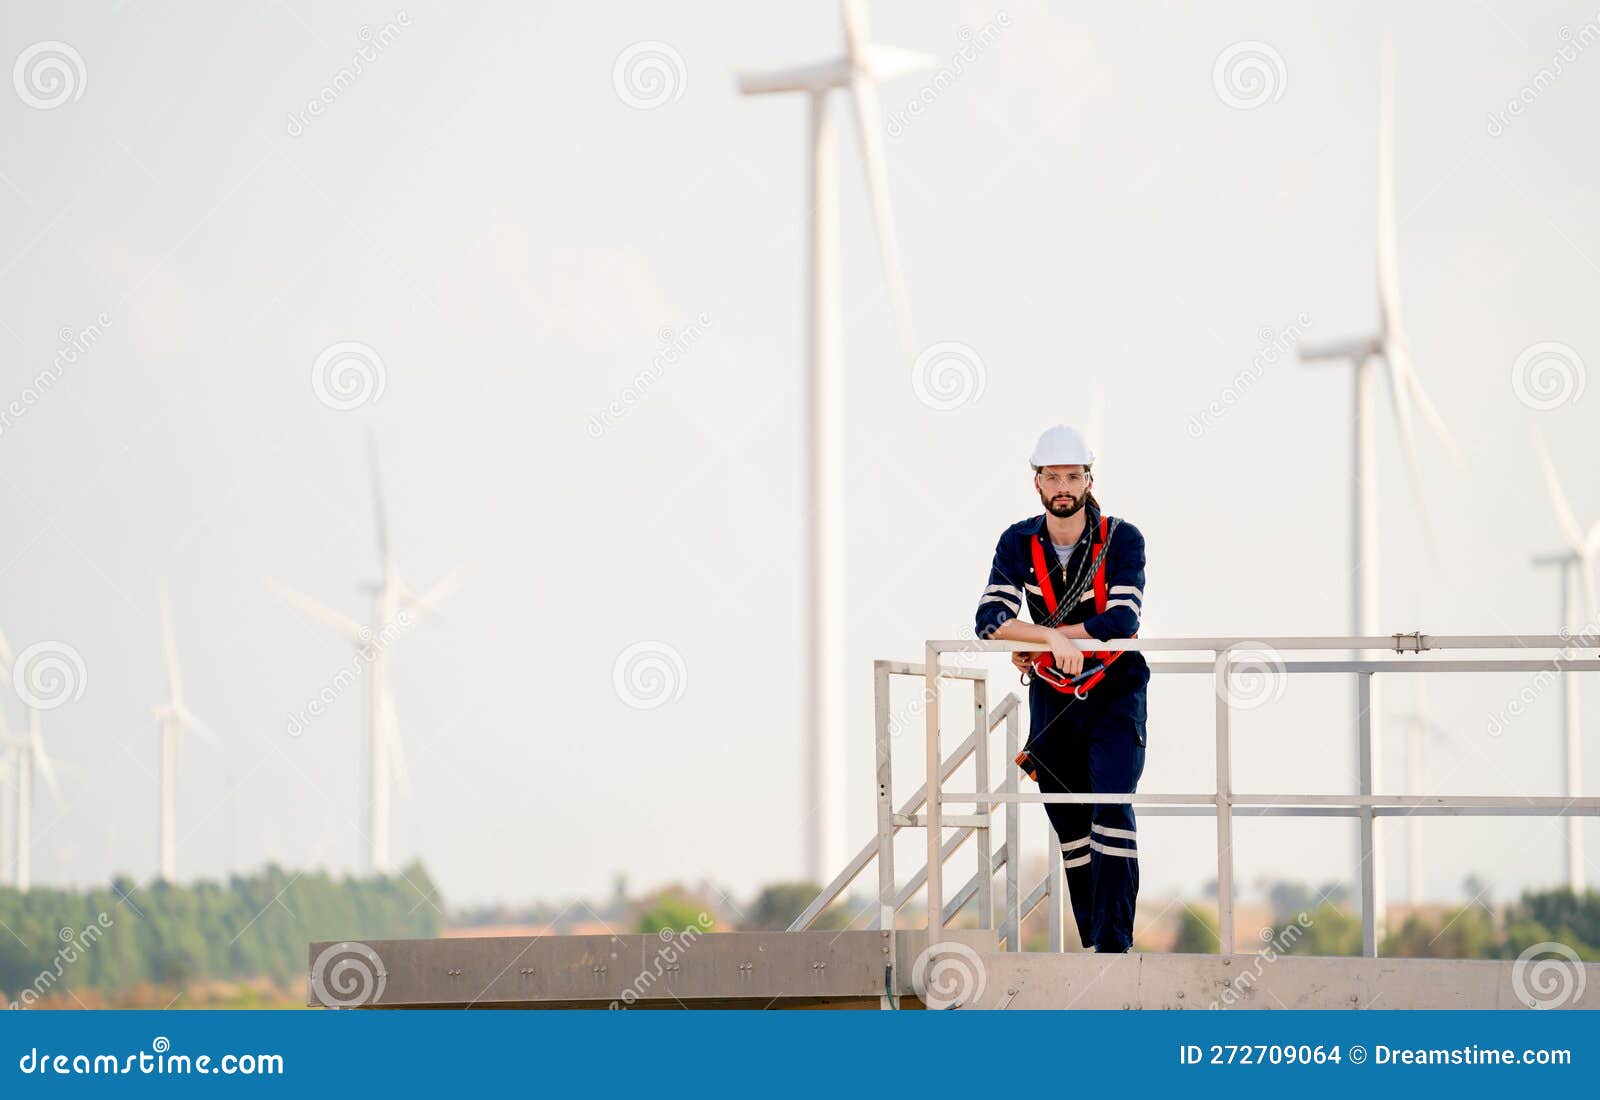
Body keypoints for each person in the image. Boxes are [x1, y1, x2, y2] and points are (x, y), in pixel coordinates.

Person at [973, 424, 1150, 952]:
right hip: (1051, 699)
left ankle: (1116, 946)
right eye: (1053, 477)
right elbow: (988, 620)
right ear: (1037, 483)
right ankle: (1094, 943)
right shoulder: (1017, 540)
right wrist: (1050, 638)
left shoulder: (1123, 538)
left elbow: (1122, 619)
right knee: (1071, 824)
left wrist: (1044, 640)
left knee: (1110, 805)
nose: (1064, 486)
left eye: (1073, 475)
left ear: (1089, 479)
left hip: (1115, 691)